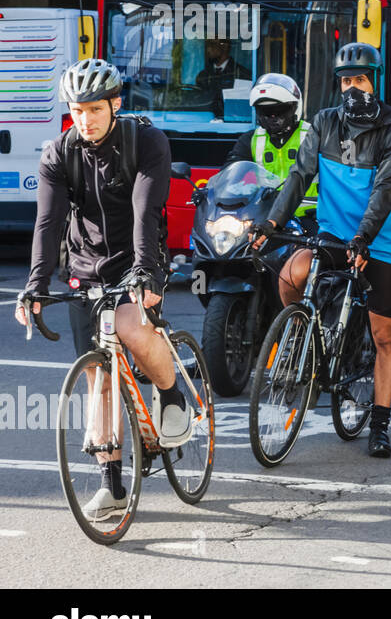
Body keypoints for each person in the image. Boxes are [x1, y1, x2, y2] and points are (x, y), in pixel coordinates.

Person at [17, 59, 182, 519]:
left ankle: (170, 392)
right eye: (76, 110)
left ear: (115, 104)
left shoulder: (145, 142)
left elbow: (146, 212)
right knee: (98, 373)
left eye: (94, 109)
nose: (85, 120)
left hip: (138, 258)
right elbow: (48, 223)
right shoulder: (58, 153)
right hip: (86, 266)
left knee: (130, 327)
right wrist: (34, 285)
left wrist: (146, 273)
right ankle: (112, 484)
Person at [254, 42, 391, 459]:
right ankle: (301, 340)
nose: (351, 88)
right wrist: (270, 223)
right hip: (333, 234)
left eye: (359, 79)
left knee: (384, 335)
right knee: (291, 275)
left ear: (374, 82)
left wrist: (363, 238)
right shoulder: (323, 123)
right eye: (345, 80)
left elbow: (384, 192)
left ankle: (379, 425)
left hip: (380, 241)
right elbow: (299, 175)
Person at [224, 73, 318, 219]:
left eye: (278, 110)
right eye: (265, 112)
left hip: (308, 217)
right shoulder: (251, 139)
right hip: (264, 218)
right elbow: (230, 171)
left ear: (294, 107)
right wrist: (210, 191)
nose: (272, 117)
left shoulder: (313, 135)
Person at [195, 38, 250, 119]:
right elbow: (198, 101)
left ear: (225, 47)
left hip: (232, 123)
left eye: (212, 45)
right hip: (204, 122)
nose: (208, 49)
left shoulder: (242, 74)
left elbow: (243, 106)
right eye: (207, 46)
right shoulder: (203, 76)